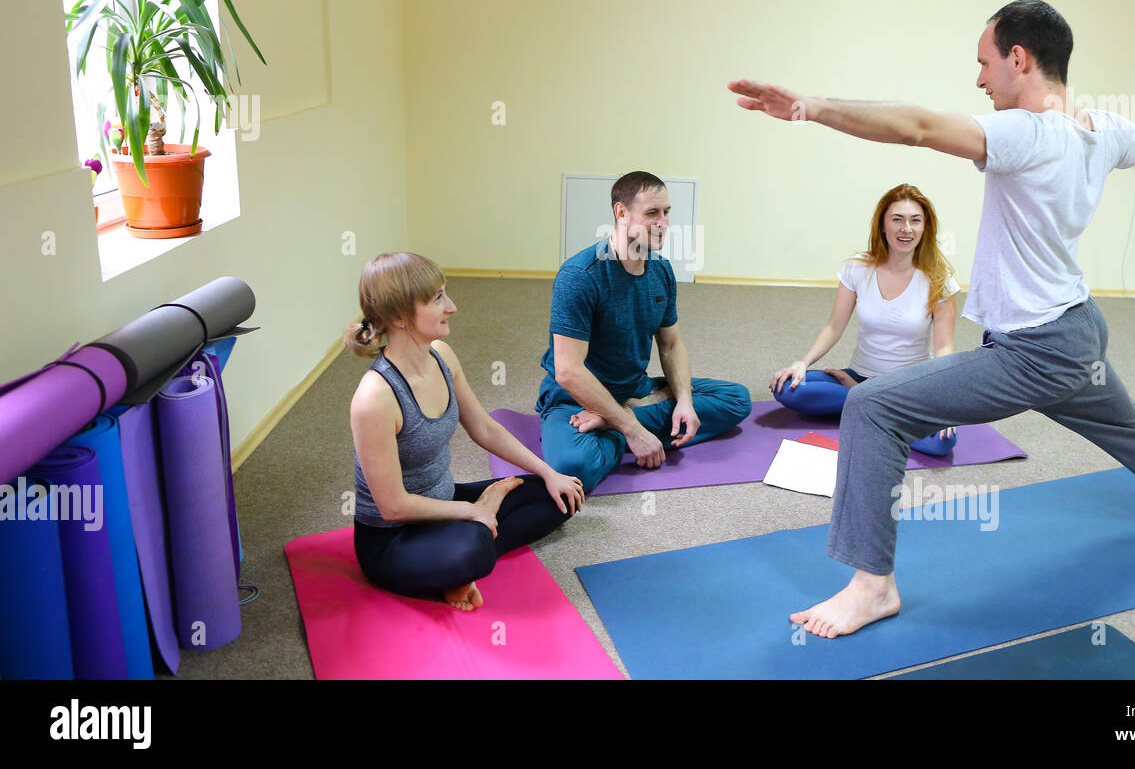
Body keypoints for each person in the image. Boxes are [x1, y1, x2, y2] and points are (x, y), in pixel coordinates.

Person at [730, 0, 1135, 639]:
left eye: (985, 63)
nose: (980, 80)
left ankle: (871, 587)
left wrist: (813, 107)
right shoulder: (1100, 128)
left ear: (1020, 59)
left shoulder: (1025, 131)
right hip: (1079, 331)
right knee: (1132, 427)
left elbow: (920, 127)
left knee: (873, 407)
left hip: (1035, 350)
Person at [346, 252, 584, 612]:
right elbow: (392, 507)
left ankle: (472, 534)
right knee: (472, 552)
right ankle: (469, 543)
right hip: (392, 539)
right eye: (437, 298)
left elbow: (485, 428)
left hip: (443, 499)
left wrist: (549, 473)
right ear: (398, 317)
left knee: (560, 496)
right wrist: (471, 511)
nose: (452, 306)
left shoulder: (442, 354)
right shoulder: (374, 398)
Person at [537, 171, 752, 492]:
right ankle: (624, 423)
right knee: (573, 466)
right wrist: (635, 432)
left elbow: (671, 344)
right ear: (621, 213)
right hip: (575, 401)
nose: (663, 222)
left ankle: (612, 422)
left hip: (637, 393)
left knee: (737, 399)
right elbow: (568, 372)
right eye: (652, 213)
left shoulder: (661, 270)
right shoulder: (580, 275)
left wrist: (684, 401)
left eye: (666, 212)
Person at [770, 183, 961, 456]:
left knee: (942, 442)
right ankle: (876, 404)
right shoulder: (857, 267)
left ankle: (863, 399)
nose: (906, 228)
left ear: (925, 228)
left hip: (909, 386)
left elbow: (944, 348)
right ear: (883, 225)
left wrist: (944, 400)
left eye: (915, 221)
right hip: (859, 376)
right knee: (786, 389)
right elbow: (834, 326)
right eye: (897, 219)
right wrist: (802, 363)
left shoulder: (939, 279)